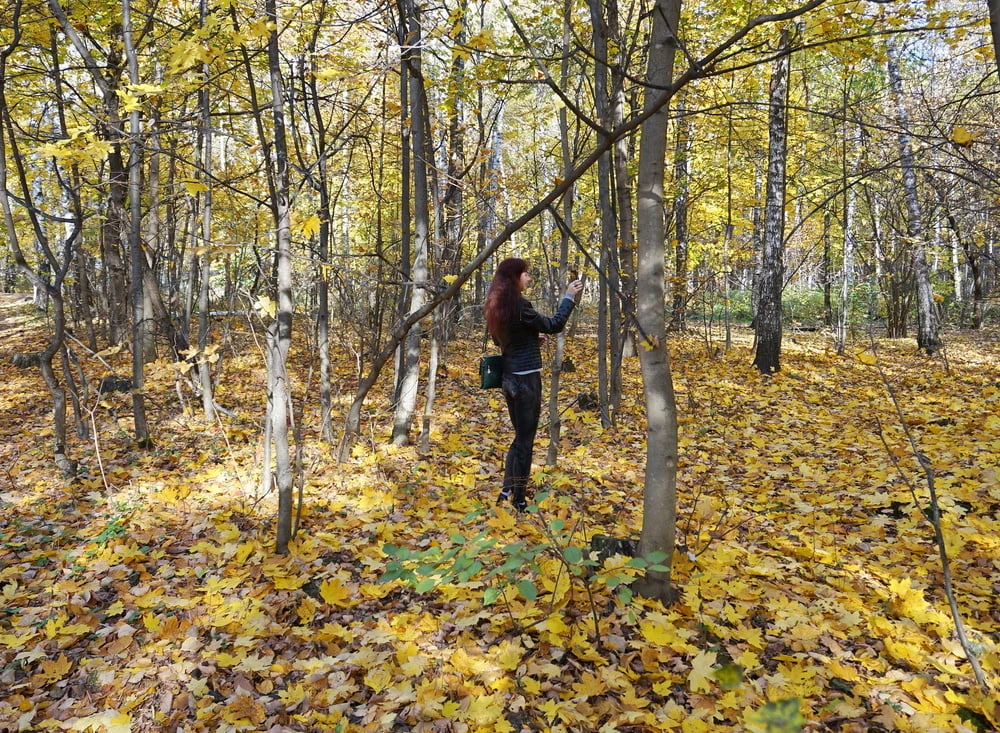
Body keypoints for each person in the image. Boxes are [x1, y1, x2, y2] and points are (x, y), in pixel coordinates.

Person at [484, 258, 584, 511]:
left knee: (520, 437)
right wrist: (569, 297)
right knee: (525, 440)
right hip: (526, 379)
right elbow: (554, 325)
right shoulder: (519, 305)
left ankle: (506, 490)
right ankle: (519, 499)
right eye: (525, 274)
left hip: (509, 378)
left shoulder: (497, 305)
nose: (529, 278)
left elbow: (502, 341)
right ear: (514, 278)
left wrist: (529, 341)